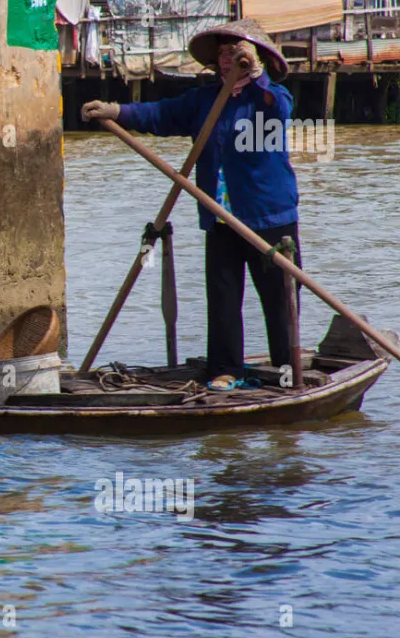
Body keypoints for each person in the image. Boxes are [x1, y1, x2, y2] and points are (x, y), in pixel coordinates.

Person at [81, 19, 301, 391]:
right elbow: (160, 115)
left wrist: (258, 73)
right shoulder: (204, 101)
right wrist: (115, 111)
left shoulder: (267, 98)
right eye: (223, 54)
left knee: (280, 299)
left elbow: (280, 108)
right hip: (219, 217)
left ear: (255, 58)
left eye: (236, 53)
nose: (228, 59)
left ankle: (285, 370)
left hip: (269, 218)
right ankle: (227, 368)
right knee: (223, 296)